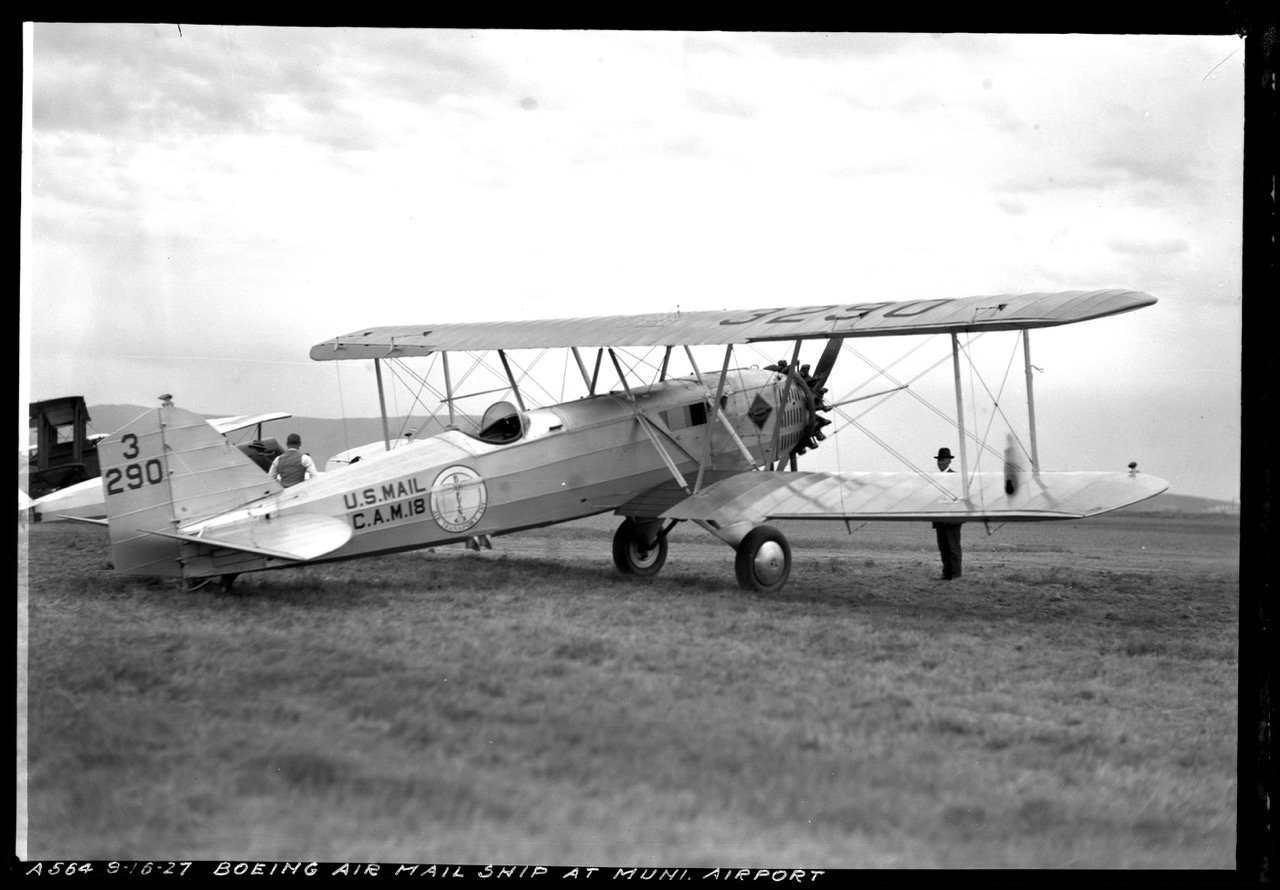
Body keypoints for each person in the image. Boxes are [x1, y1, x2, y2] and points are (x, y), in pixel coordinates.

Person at [931, 446, 962, 580]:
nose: (940, 462)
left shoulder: (956, 477)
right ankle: (946, 573)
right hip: (940, 519)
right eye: (939, 460)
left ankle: (955, 575)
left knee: (953, 548)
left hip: (952, 519)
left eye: (943, 460)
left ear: (949, 461)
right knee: (943, 548)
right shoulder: (935, 478)